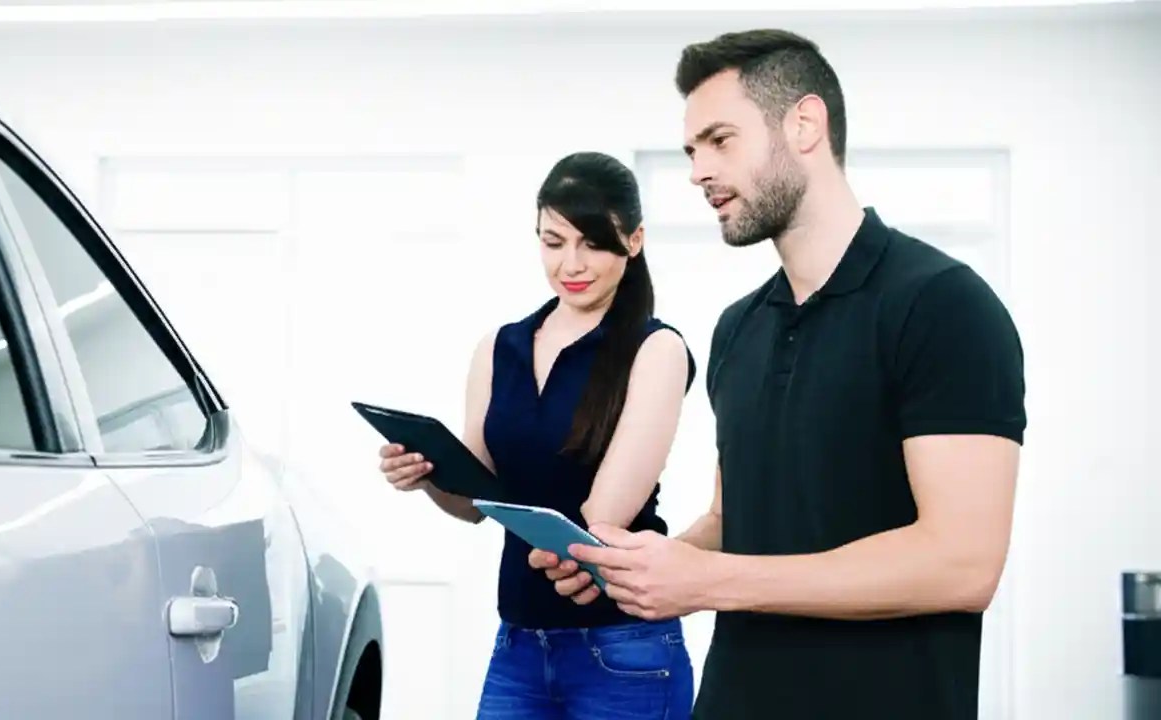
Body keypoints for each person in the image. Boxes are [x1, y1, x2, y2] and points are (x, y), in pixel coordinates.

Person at [531, 29, 1026, 720]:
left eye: (720, 140)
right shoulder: (738, 328)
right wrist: (641, 567)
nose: (699, 171)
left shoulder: (943, 305)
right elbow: (737, 521)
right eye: (691, 151)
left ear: (804, 125)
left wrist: (711, 581)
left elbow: (963, 563)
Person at [377, 151, 700, 719]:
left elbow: (601, 519)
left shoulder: (656, 350)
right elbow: (478, 501)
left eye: (592, 242)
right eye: (553, 242)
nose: (570, 263)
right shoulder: (498, 348)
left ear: (635, 240)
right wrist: (429, 476)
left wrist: (574, 546)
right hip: (520, 644)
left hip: (624, 649)